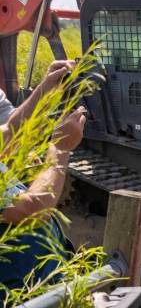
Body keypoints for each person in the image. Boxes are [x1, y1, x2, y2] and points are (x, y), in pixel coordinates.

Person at [0, 60, 87, 291]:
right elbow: (33, 210)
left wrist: (47, 89)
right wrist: (59, 149)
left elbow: (10, 131)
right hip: (15, 303)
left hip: (38, 286)